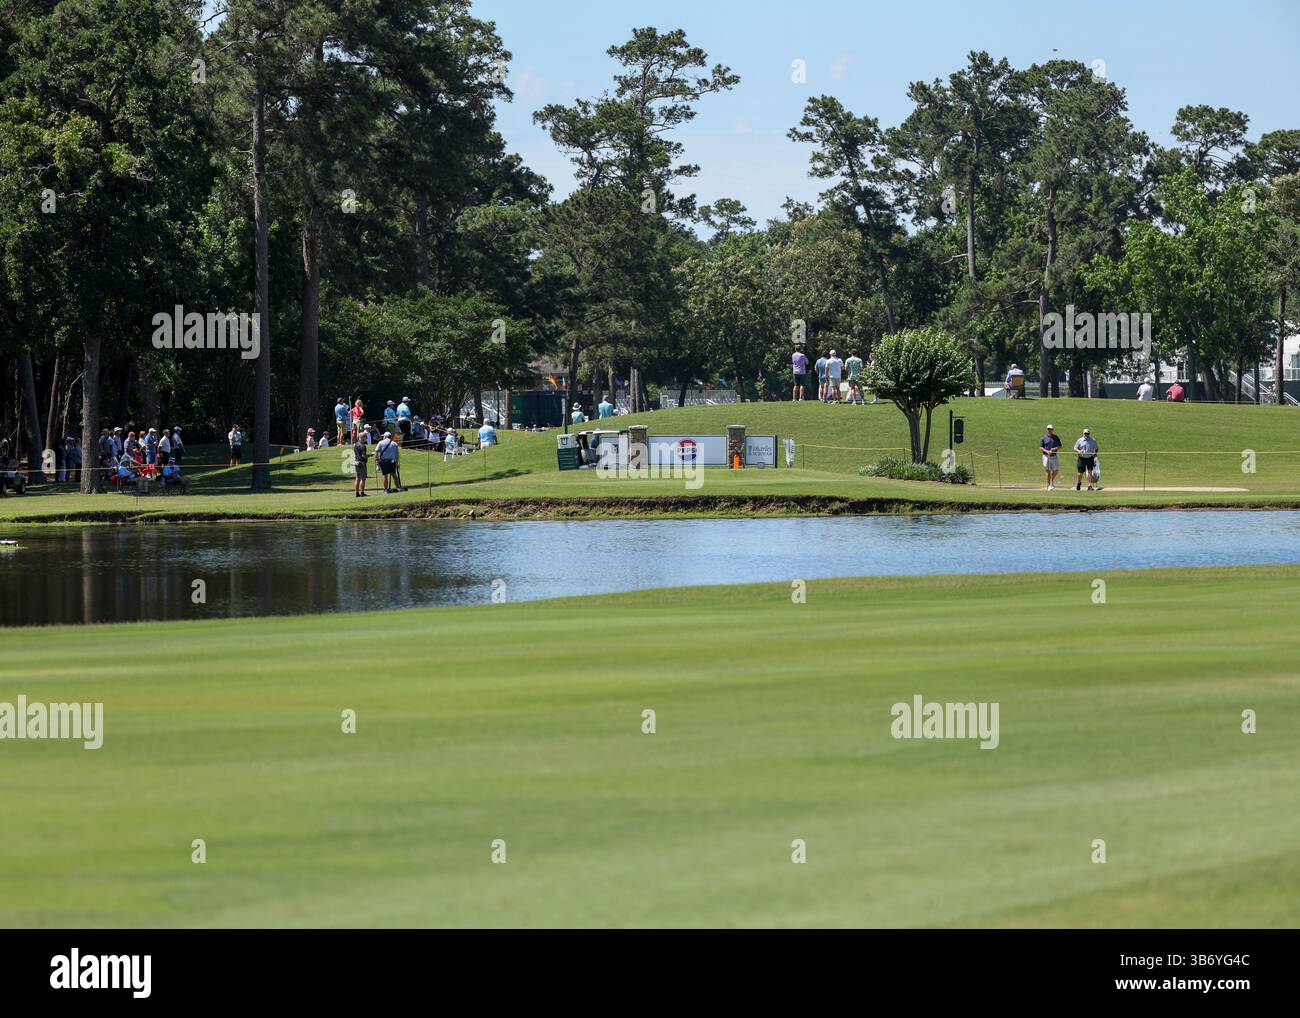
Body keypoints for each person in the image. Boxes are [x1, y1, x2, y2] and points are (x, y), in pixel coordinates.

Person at [1040, 424, 1062, 491]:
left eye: (1051, 429)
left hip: (1054, 456)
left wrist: (1054, 448)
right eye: (1049, 429)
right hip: (1046, 456)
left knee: (1056, 470)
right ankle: (1049, 484)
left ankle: (1051, 482)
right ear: (1047, 430)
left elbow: (1060, 446)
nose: (1050, 430)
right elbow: (1041, 448)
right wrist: (1047, 451)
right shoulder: (1043, 438)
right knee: (1048, 471)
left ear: (1053, 430)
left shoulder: (1056, 437)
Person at [352, 430, 369, 497]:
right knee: (363, 478)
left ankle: (357, 493)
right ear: (362, 437)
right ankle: (362, 492)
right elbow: (363, 455)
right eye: (365, 437)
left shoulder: (356, 444)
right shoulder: (362, 446)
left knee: (357, 478)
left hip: (357, 463)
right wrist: (370, 455)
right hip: (362, 463)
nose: (366, 438)